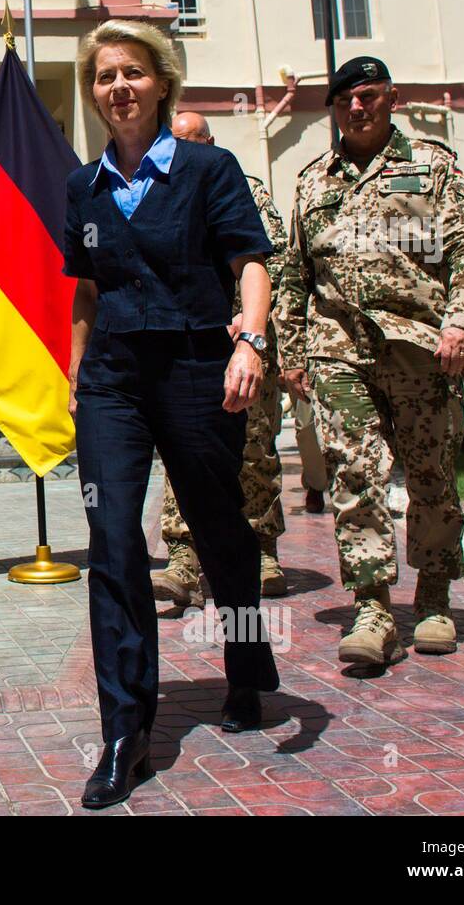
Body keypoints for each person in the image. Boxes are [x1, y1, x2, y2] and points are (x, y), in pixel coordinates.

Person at [64, 20, 279, 810]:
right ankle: (126, 730)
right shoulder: (81, 186)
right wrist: (76, 378)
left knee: (222, 530)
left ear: (162, 84)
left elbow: (248, 260)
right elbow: (85, 288)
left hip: (197, 370)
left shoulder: (207, 168)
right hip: (114, 381)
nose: (118, 87)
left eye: (133, 73)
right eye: (104, 76)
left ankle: (249, 665)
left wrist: (249, 342)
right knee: (114, 539)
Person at [276, 56, 464, 666]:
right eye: (345, 101)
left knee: (430, 475)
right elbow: (295, 270)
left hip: (422, 349)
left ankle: (434, 598)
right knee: (352, 475)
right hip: (338, 347)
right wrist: (291, 349)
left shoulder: (432, 167)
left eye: (368, 96)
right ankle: (372, 607)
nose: (357, 109)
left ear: (391, 99)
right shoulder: (313, 179)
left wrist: (462, 321)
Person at [153, 111, 287, 602]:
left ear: (211, 142)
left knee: (254, 448)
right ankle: (184, 559)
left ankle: (261, 546)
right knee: (181, 455)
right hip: (187, 347)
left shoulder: (246, 190)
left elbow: (276, 268)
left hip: (248, 343)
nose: (187, 147)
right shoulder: (159, 190)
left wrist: (263, 336)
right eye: (178, 140)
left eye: (195, 140)